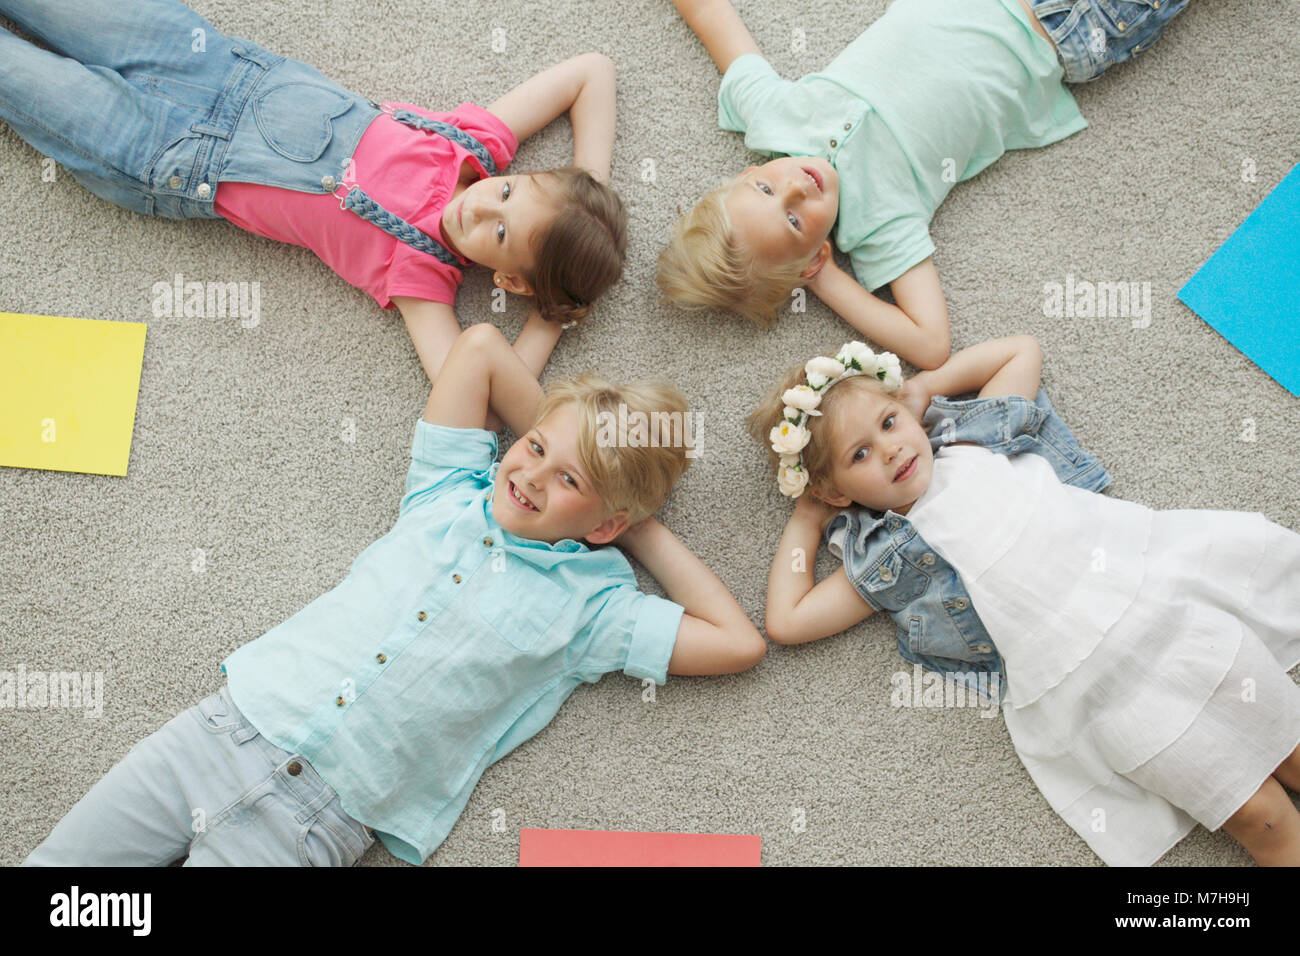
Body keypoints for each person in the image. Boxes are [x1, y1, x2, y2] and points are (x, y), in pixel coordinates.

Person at [23, 322, 767, 866]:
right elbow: (477, 348)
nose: (533, 475)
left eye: (569, 480)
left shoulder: (592, 610)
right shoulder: (449, 491)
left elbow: (738, 642)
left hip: (316, 824)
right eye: (536, 446)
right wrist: (581, 440)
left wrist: (637, 532)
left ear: (605, 521)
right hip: (221, 734)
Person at [750, 333, 1300, 865]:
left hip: (1162, 610)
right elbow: (787, 620)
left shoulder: (972, 442)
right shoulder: (892, 560)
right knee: (1261, 818)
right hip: (1098, 696)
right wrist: (806, 516)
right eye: (861, 453)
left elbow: (1021, 350)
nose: (891, 448)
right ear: (837, 491)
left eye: (889, 423)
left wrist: (924, 387)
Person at [0, 0, 626, 396]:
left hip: (166, 153)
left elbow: (474, 395)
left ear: (510, 281)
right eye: (509, 192)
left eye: (498, 235)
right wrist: (589, 183)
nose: (480, 207)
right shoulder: (471, 144)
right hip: (205, 61)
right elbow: (592, 71)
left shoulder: (422, 274)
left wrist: (550, 317)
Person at [658, 0, 1189, 369]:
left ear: (748, 175)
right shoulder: (877, 224)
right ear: (814, 254)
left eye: (766, 191)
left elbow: (711, 14)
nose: (797, 188)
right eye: (794, 222)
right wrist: (827, 282)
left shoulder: (772, 116)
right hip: (1070, 27)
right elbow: (932, 344)